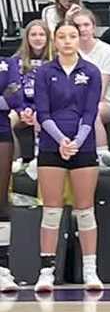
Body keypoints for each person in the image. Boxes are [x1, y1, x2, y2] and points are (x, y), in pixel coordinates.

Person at [34, 21, 104, 293]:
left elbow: (90, 112)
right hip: (53, 145)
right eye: (61, 36)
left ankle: (90, 269)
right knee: (51, 210)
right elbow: (42, 112)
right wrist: (61, 139)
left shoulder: (91, 71)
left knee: (85, 209)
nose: (67, 41)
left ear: (80, 39)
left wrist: (76, 140)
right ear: (55, 40)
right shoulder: (44, 73)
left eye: (72, 36)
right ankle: (46, 271)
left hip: (82, 145)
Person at [71, 9, 110, 166]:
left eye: (86, 24)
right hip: (72, 102)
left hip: (104, 102)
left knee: (93, 109)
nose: (83, 29)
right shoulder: (68, 50)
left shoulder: (106, 50)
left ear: (94, 27)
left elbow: (101, 90)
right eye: (78, 26)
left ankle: (102, 153)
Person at [12, 20, 53, 170]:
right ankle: (14, 162)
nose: (37, 38)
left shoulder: (55, 61)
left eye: (42, 34)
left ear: (48, 38)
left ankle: (39, 159)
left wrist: (34, 108)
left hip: (47, 107)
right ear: (27, 38)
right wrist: (22, 109)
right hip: (21, 108)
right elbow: (12, 89)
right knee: (6, 120)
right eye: (33, 34)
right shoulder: (15, 61)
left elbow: (53, 92)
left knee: (40, 116)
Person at [0, 50, 24, 292]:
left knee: (1, 202)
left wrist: (5, 98)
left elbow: (14, 97)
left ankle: (2, 267)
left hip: (1, 134)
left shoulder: (7, 64)